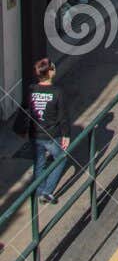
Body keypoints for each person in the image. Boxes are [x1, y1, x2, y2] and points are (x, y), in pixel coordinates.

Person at [19, 57, 70, 204]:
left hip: (35, 134)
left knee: (39, 163)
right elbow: (63, 117)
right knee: (61, 158)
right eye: (52, 67)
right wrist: (66, 135)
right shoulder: (57, 92)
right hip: (52, 135)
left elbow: (25, 109)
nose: (54, 69)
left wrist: (23, 129)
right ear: (49, 73)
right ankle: (47, 192)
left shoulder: (32, 89)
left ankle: (39, 190)